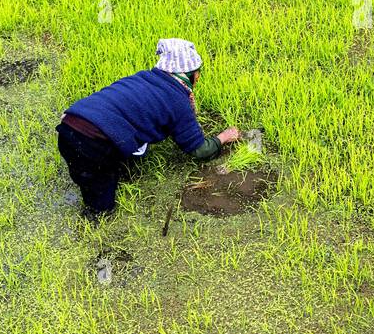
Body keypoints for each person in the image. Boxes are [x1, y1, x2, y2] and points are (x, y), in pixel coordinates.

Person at [57, 38, 240, 218]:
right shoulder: (177, 100)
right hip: (92, 142)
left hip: (69, 122)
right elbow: (200, 150)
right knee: (101, 203)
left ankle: (89, 173)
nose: (199, 76)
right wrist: (224, 136)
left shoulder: (144, 77)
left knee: (86, 170)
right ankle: (94, 225)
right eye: (198, 72)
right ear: (189, 74)